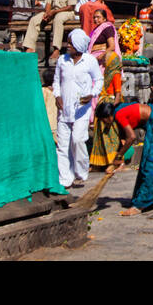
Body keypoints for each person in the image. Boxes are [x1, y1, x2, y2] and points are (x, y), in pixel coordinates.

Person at [98, 96, 153, 215]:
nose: (104, 124)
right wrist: (118, 163)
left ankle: (141, 205)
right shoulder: (118, 111)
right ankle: (151, 200)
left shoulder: (119, 115)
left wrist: (118, 157)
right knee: (145, 163)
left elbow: (131, 138)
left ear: (108, 117)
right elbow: (124, 140)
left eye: (103, 121)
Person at [53, 30, 102, 189]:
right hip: (64, 109)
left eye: (71, 43)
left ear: (79, 45)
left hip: (81, 109)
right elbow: (56, 81)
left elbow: (98, 79)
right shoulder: (62, 60)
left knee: (78, 140)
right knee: (63, 144)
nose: (68, 46)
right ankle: (65, 179)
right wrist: (57, 96)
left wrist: (92, 94)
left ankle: (81, 172)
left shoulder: (90, 61)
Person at [22, 0, 76, 65]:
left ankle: (56, 49)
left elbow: (71, 6)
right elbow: (48, 3)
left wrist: (54, 12)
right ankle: (29, 46)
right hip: (53, 11)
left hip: (67, 12)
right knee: (34, 19)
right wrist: (47, 14)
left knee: (58, 19)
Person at [89, 42, 125, 169]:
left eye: (105, 60)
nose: (103, 62)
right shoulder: (107, 73)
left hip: (108, 108)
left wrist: (111, 111)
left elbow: (118, 94)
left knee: (110, 136)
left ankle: (113, 160)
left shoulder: (115, 74)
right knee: (100, 135)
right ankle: (100, 161)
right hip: (103, 107)